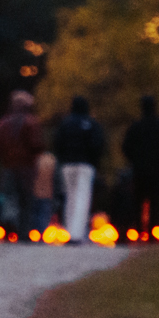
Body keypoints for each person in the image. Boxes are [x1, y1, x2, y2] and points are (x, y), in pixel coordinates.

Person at [0, 91, 43, 239]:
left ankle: (8, 229)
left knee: (9, 198)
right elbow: (36, 144)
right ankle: (24, 233)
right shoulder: (31, 122)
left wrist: (3, 157)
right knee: (26, 200)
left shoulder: (3, 123)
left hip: (8, 166)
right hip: (26, 168)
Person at [53, 94, 106, 244]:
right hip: (85, 165)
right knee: (82, 197)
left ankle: (70, 231)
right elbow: (97, 145)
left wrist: (63, 159)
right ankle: (77, 233)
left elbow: (57, 143)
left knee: (70, 197)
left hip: (67, 165)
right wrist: (94, 162)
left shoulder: (66, 123)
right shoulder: (90, 123)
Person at [123, 95, 159, 235]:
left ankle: (140, 231)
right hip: (158, 169)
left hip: (139, 169)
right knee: (155, 202)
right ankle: (152, 232)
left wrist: (134, 161)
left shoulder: (135, 128)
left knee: (138, 201)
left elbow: (126, 147)